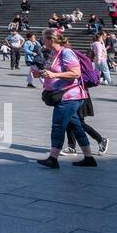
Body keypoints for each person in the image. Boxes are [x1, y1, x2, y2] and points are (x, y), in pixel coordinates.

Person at [34, 29, 97, 168]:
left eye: (43, 38)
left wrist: (54, 75)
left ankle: (53, 158)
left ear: (51, 39)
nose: (42, 41)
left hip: (69, 96)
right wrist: (42, 73)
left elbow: (75, 73)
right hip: (63, 95)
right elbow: (53, 70)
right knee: (76, 126)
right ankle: (89, 158)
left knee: (58, 126)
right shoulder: (53, 53)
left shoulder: (66, 52)